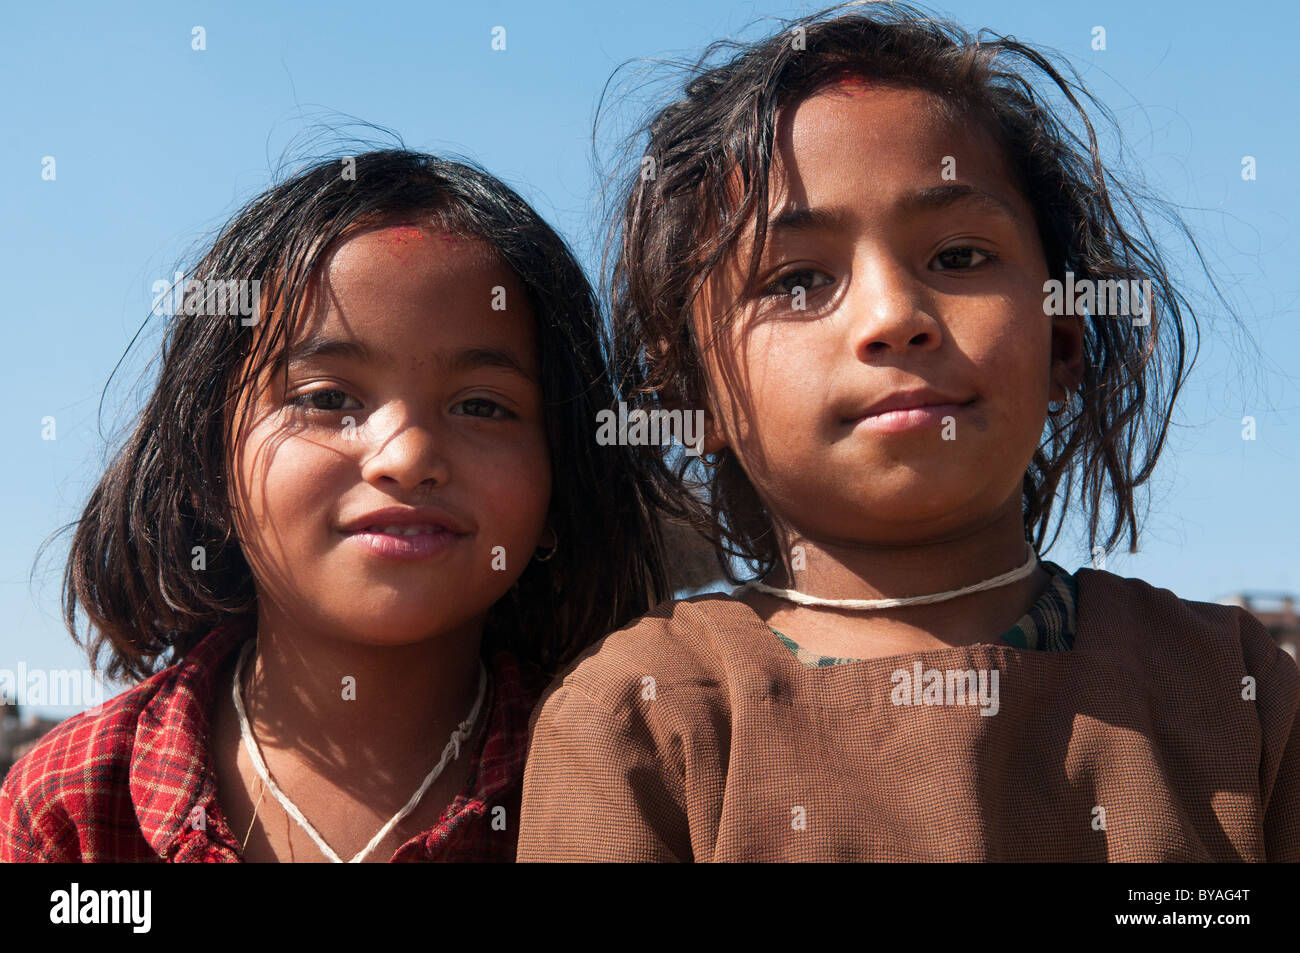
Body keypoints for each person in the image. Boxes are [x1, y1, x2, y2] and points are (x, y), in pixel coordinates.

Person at [517, 4, 1299, 861]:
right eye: (798, 280)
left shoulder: (1235, 690)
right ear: (698, 396)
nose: (895, 318)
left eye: (959, 257)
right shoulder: (646, 716)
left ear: (1064, 338)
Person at [0, 148, 667, 862]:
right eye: (327, 399)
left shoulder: (631, 782)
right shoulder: (77, 802)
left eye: (482, 405)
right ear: (206, 464)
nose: (406, 455)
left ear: (561, 481)